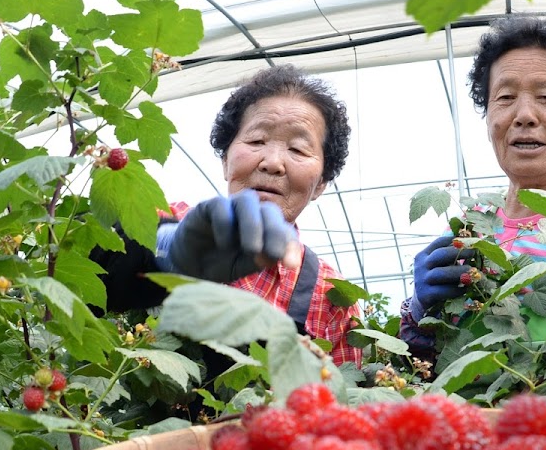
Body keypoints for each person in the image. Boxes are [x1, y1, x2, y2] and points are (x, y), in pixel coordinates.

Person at [401, 15, 546, 355]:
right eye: (505, 97)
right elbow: (425, 363)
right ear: (488, 119)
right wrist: (420, 314)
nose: (524, 115)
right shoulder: (472, 225)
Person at [95, 64, 361, 366]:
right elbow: (82, 269)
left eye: (298, 150)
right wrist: (166, 250)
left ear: (321, 184)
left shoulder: (332, 298)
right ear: (225, 161)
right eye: (256, 141)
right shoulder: (160, 219)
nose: (273, 163)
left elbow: (336, 393)